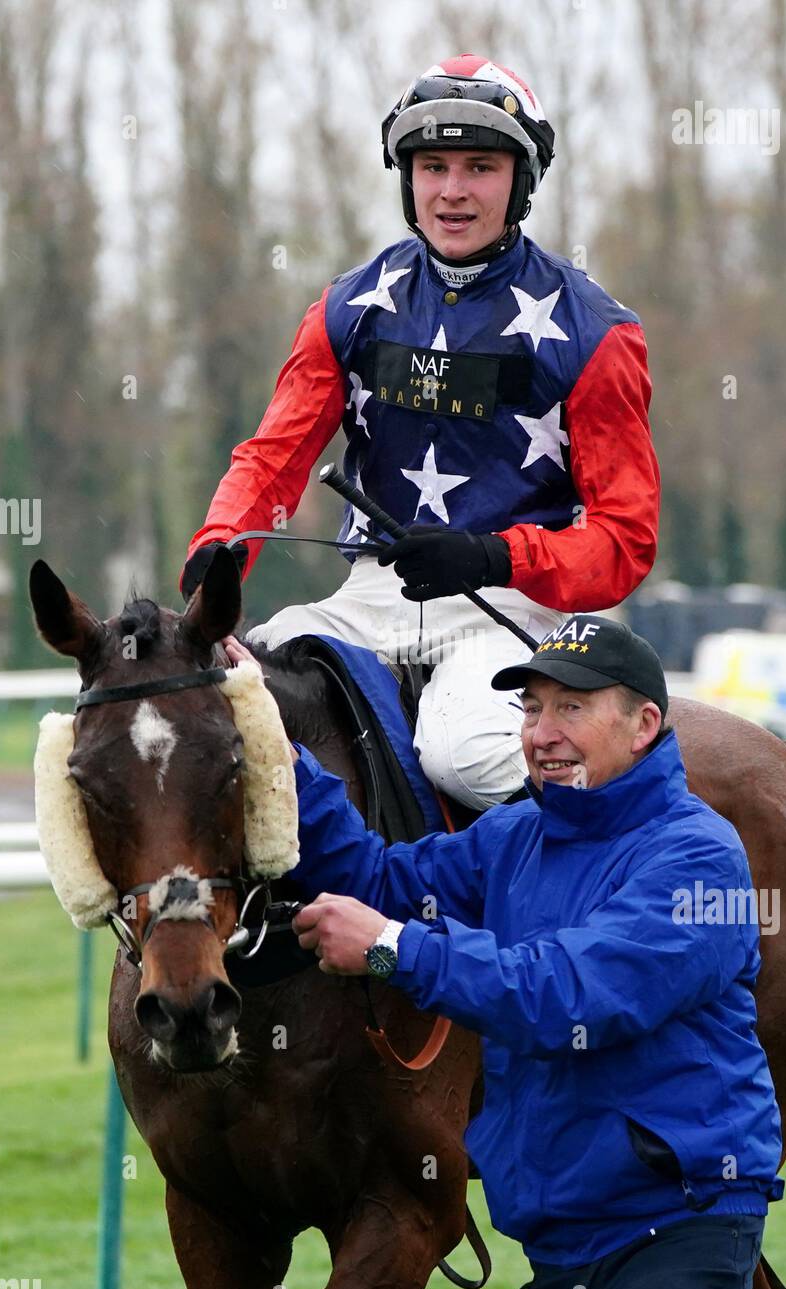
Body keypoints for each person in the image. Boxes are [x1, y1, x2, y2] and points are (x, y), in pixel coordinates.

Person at [181, 54, 660, 812]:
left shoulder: (594, 333)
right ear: (406, 178)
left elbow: (625, 543)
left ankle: (571, 889)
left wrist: (494, 555)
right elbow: (273, 459)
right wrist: (220, 545)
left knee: (465, 753)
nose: (453, 190)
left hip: (514, 606)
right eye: (431, 165)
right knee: (231, 701)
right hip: (369, 597)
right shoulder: (348, 307)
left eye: (480, 166)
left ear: (522, 182)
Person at [269, 614, 785, 1289]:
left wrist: (392, 949)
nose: (542, 733)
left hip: (677, 1226)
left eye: (571, 707)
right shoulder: (514, 834)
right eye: (532, 708)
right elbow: (382, 882)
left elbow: (570, 995)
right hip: (558, 1242)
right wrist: (280, 756)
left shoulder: (697, 857)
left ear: (642, 725)